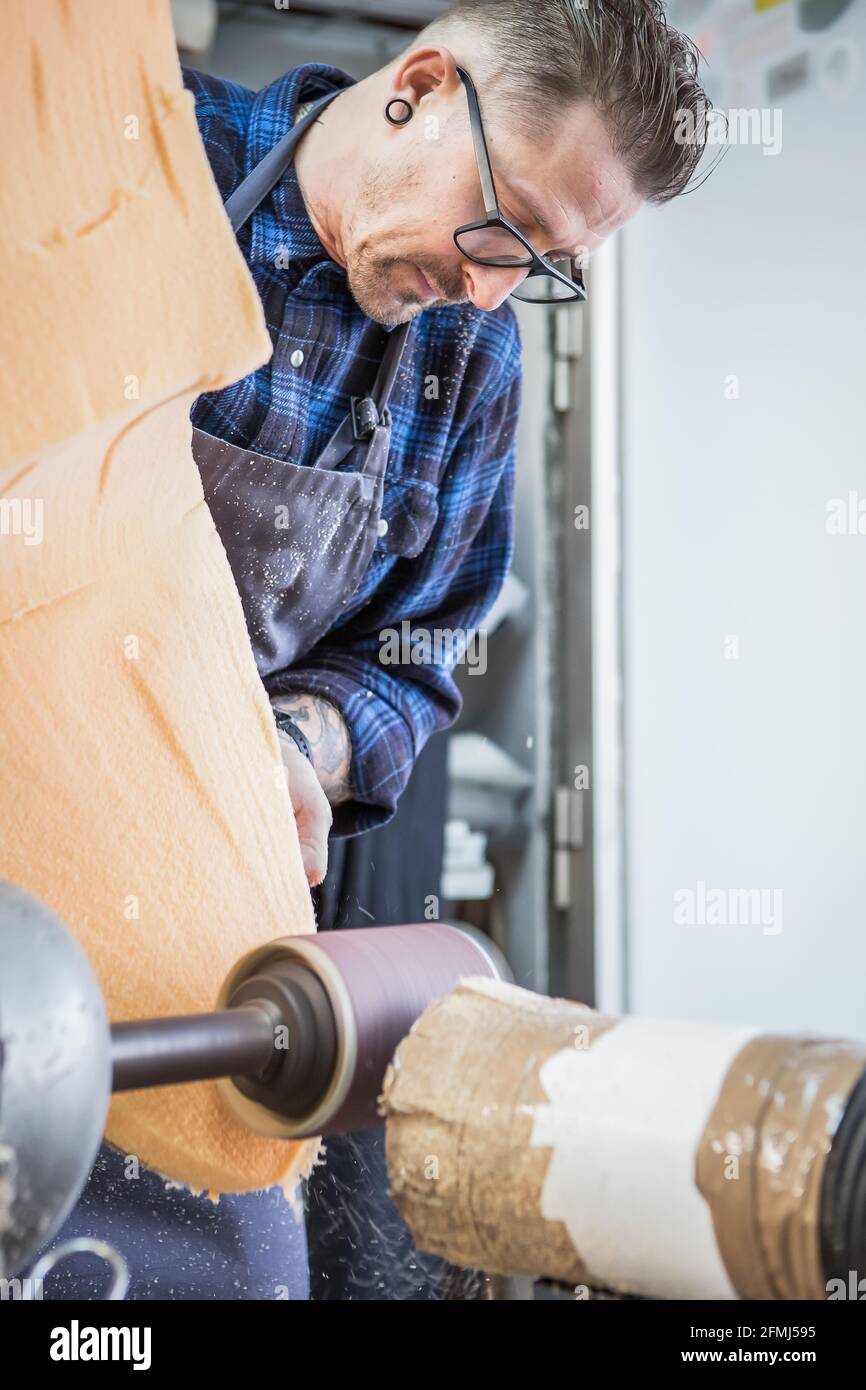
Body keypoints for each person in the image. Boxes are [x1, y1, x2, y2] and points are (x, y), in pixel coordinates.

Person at [41, 0, 709, 1300]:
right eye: (504, 222)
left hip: (202, 932)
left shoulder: (471, 359)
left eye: (546, 263)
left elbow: (413, 656)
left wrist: (301, 744)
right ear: (421, 86)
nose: (492, 287)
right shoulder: (137, 159)